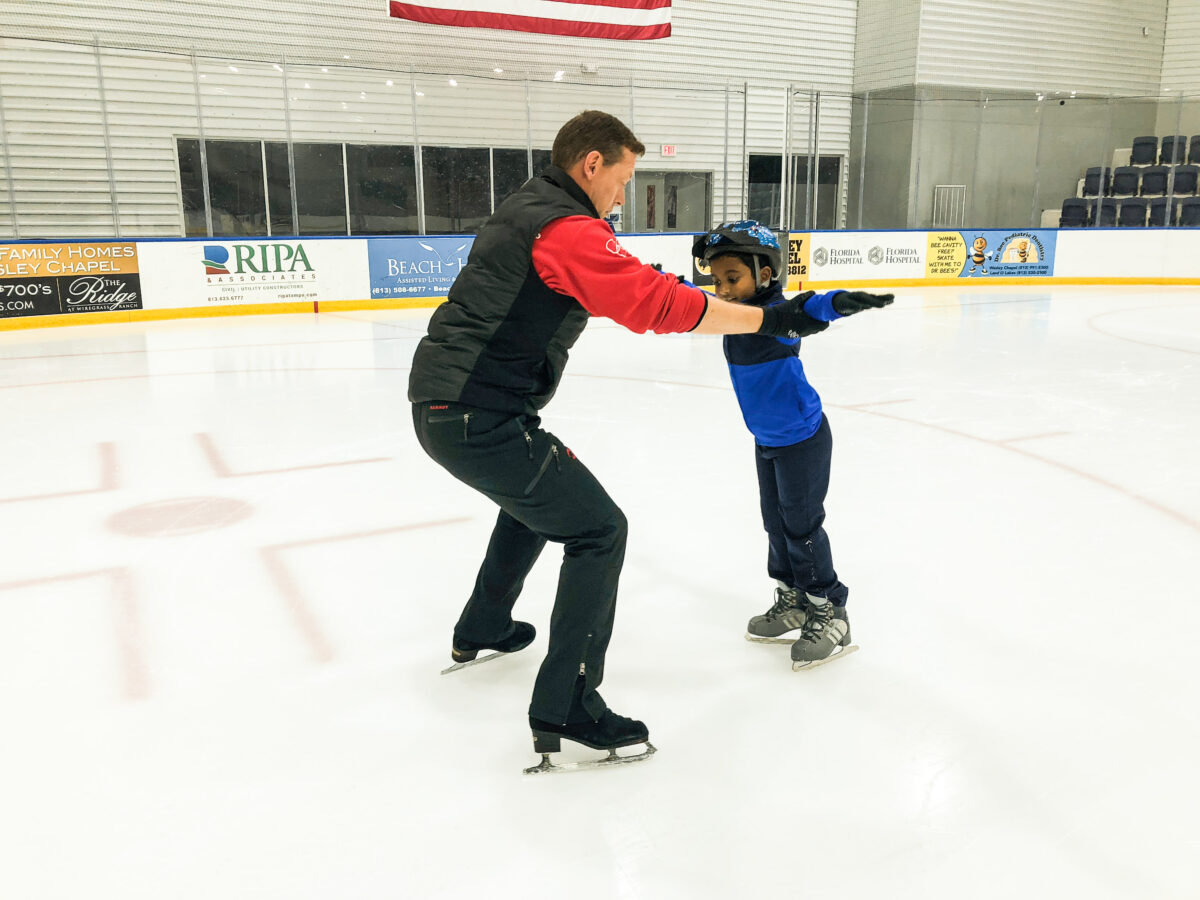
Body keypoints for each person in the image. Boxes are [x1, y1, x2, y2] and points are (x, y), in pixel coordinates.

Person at [407, 110, 846, 767]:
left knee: (534, 505)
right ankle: (568, 704)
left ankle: (485, 625)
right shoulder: (566, 227)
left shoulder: (529, 208)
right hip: (477, 414)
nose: (620, 197)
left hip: (451, 408)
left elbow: (634, 287)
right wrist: (764, 319)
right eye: (621, 179)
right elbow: (654, 304)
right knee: (599, 530)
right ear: (592, 164)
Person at [691, 221, 893, 669]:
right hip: (767, 438)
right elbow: (693, 301)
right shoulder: (734, 312)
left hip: (802, 438)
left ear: (764, 275)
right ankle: (793, 599)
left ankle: (830, 611)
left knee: (801, 526)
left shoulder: (776, 318)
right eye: (717, 280)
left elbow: (810, 308)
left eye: (732, 279)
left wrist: (839, 302)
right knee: (775, 523)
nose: (722, 290)